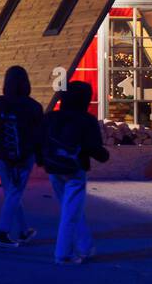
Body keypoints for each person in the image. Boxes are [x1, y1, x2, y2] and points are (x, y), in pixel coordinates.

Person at [41, 81, 108, 264]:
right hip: (75, 169)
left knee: (70, 208)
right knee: (71, 211)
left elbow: (40, 141)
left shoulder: (50, 118)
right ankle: (63, 254)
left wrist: (41, 161)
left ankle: (86, 246)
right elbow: (94, 147)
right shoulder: (86, 119)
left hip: (54, 168)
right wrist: (103, 155)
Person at [0, 65, 45, 248]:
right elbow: (39, 134)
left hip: (2, 154)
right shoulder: (33, 106)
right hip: (24, 156)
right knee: (15, 192)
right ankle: (2, 232)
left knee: (11, 193)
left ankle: (24, 231)